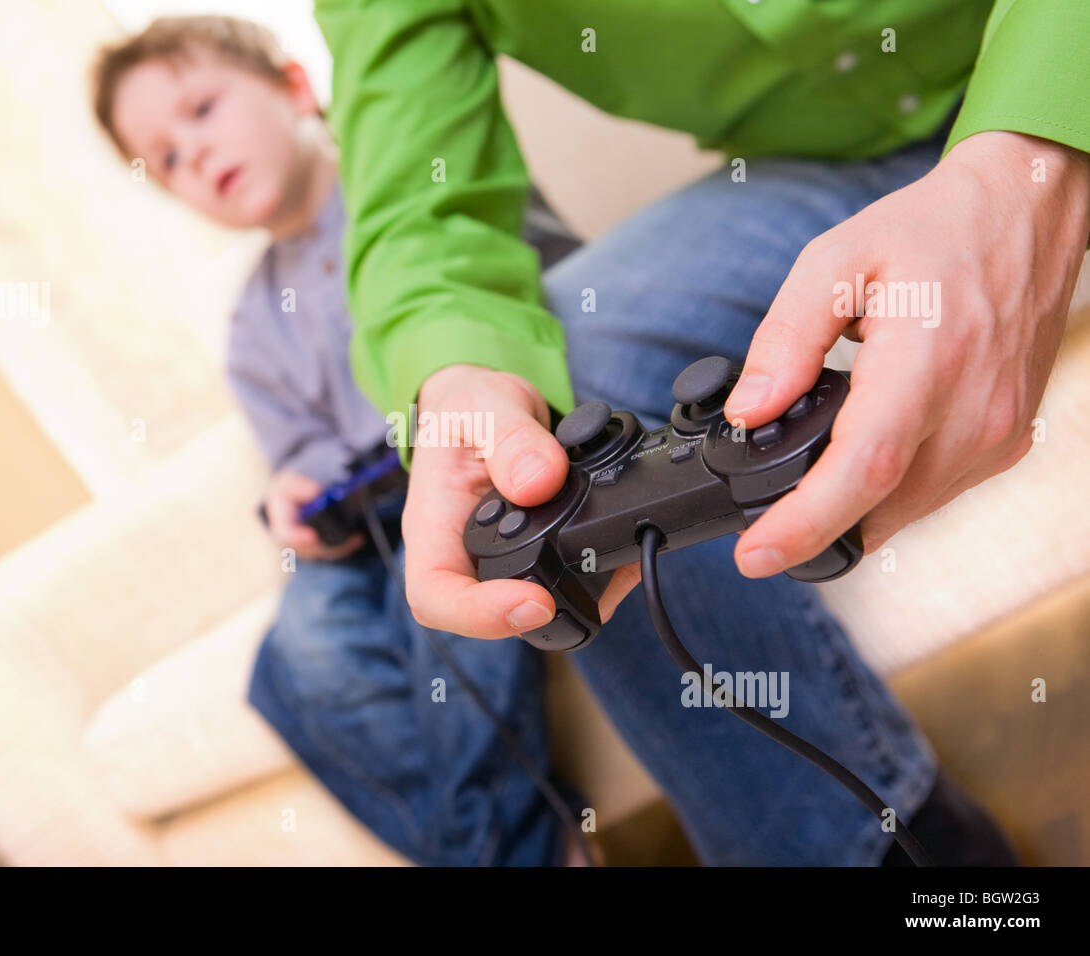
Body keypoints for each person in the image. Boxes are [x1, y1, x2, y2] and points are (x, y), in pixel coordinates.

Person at [310, 0, 1090, 863]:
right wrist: (453, 373)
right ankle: (887, 856)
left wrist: (1036, 140)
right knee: (563, 381)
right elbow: (420, 199)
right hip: (834, 162)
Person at [90, 15, 590, 866]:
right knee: (292, 664)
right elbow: (297, 455)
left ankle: (521, 854)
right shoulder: (252, 326)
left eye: (203, 109)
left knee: (440, 609)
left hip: (467, 467)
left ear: (293, 87)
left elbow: (548, 286)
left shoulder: (415, 191)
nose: (196, 157)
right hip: (358, 525)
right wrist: (289, 495)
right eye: (167, 158)